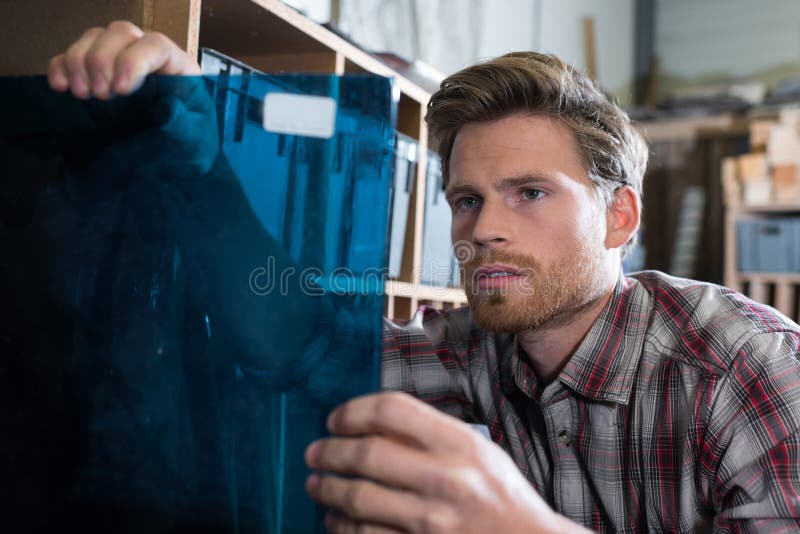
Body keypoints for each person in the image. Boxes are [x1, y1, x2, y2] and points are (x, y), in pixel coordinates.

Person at [48, 22, 800, 533]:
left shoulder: (749, 369)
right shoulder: (481, 348)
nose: (482, 229)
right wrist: (203, 163)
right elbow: (295, 340)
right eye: (466, 200)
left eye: (530, 193)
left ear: (621, 218)